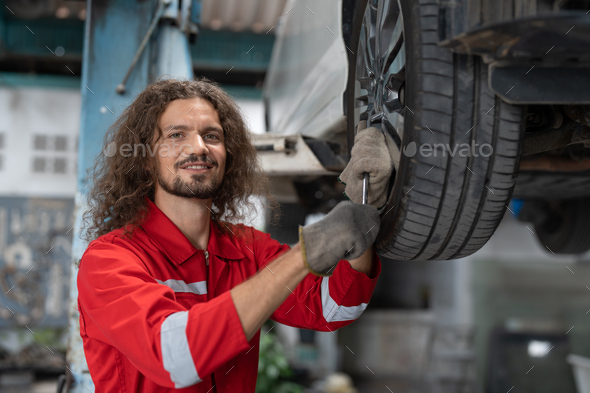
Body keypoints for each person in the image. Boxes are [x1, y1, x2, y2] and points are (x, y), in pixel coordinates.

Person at [77, 79, 392, 393]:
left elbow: (333, 309)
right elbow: (175, 357)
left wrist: (362, 211)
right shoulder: (109, 261)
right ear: (146, 160)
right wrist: (302, 256)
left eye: (211, 136)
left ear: (227, 156)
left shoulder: (248, 249)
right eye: (177, 135)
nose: (198, 148)